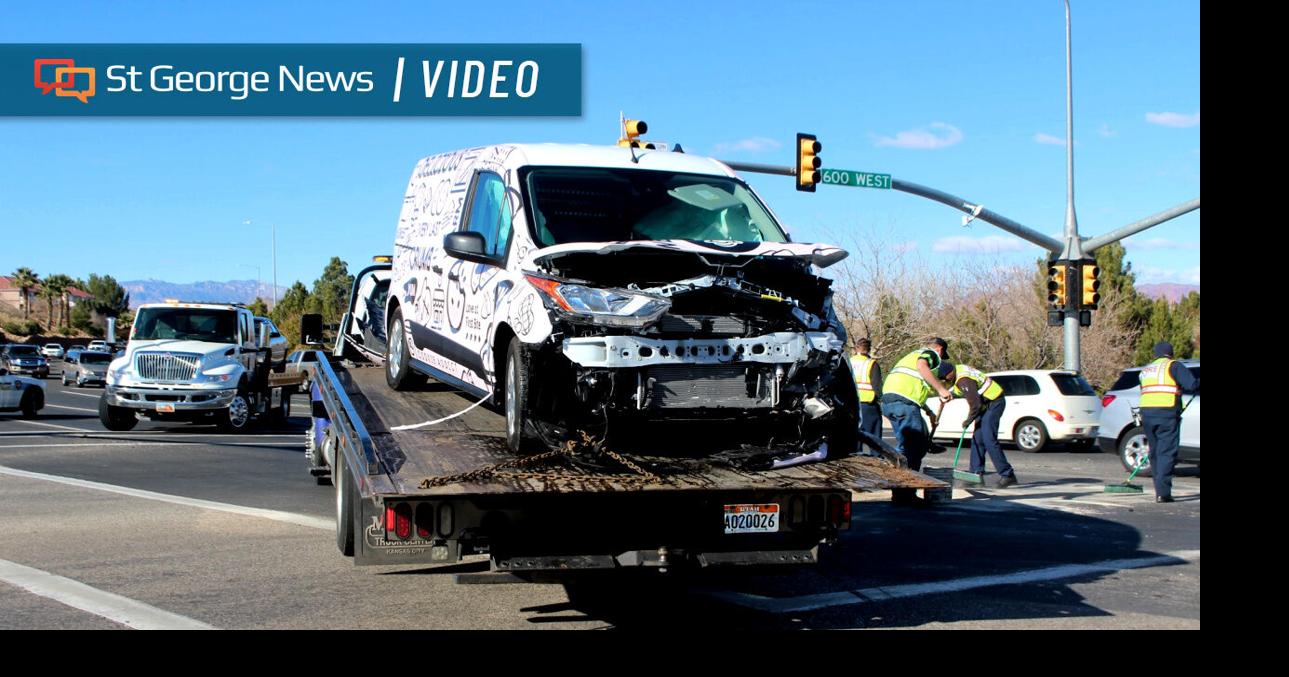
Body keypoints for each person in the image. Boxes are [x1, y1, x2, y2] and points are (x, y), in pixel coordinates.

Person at [880, 337, 955, 504]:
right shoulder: (930, 354)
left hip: (890, 402)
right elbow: (922, 367)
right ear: (940, 350)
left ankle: (900, 492)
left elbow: (912, 389)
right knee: (912, 449)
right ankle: (905, 494)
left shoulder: (909, 357)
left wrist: (929, 412)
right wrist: (942, 389)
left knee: (907, 447)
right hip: (904, 404)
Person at [1138, 341, 1199, 503]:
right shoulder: (1174, 366)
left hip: (1147, 415)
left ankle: (1159, 489)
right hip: (1167, 413)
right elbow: (1191, 385)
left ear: (1156, 354)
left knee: (1155, 452)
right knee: (1166, 452)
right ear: (1170, 353)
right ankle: (1163, 493)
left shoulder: (1146, 370)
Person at [947, 363, 1017, 488]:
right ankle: (976, 474)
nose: (945, 380)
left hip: (994, 402)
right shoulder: (959, 370)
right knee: (977, 439)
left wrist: (968, 420)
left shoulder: (963, 380)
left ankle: (1007, 474)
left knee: (989, 439)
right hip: (985, 403)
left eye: (945, 378)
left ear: (950, 374)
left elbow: (975, 405)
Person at [849, 338, 883, 455]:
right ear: (869, 349)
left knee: (854, 438)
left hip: (851, 406)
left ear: (856, 348)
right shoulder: (871, 364)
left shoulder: (848, 362)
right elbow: (876, 385)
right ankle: (878, 463)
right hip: (867, 405)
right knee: (874, 439)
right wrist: (881, 400)